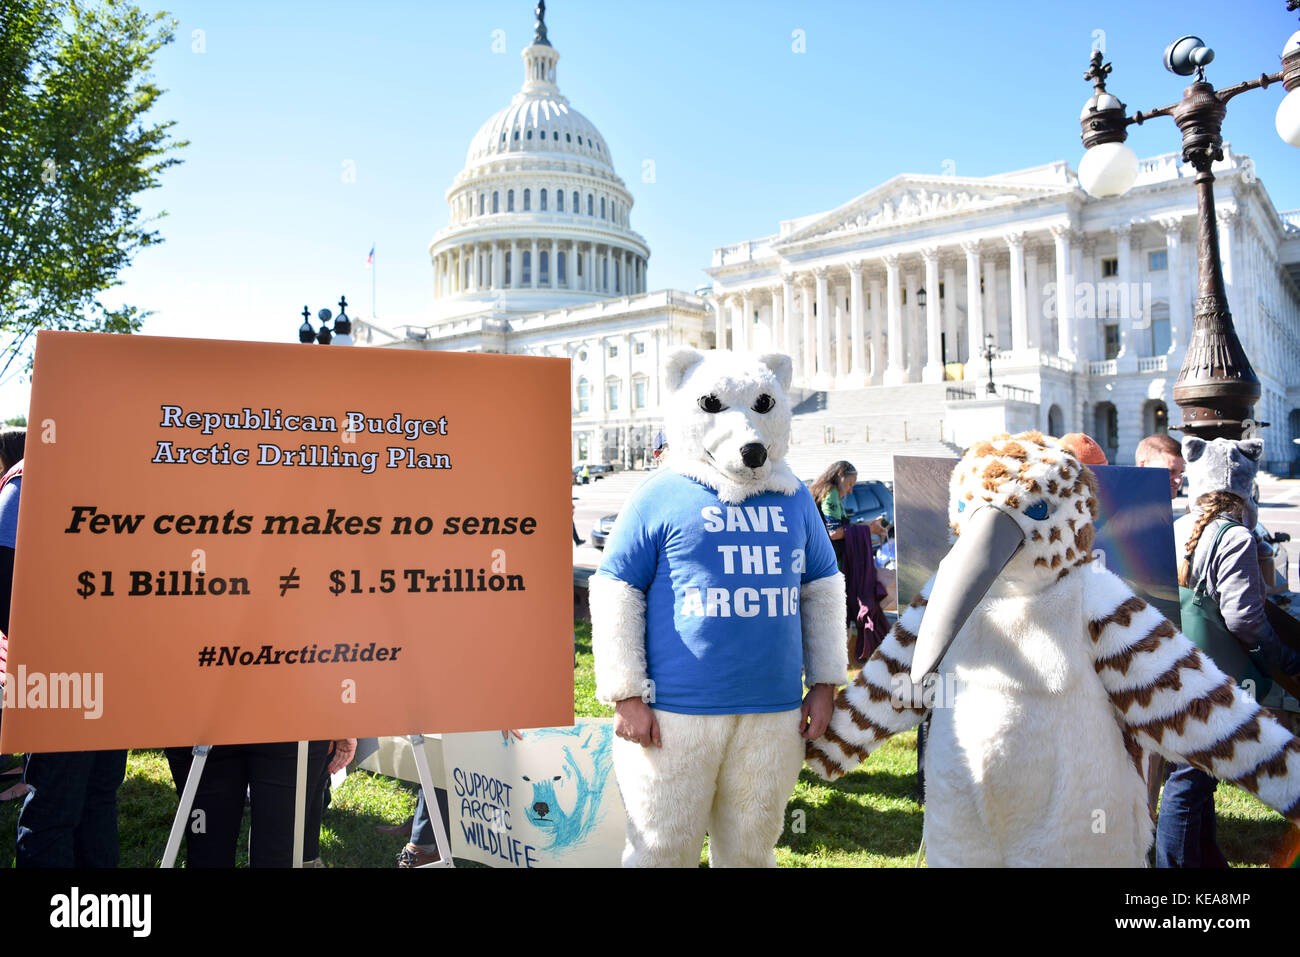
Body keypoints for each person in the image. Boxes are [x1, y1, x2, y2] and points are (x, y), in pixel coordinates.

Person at [1155, 436, 1300, 868]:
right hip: (1216, 674)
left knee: (1196, 769)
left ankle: (1204, 856)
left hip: (1173, 663)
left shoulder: (1177, 526)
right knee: (1192, 778)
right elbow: (1244, 620)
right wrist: (1283, 659)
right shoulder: (1233, 535)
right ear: (1246, 486)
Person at [1136, 433, 1186, 500]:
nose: (1179, 480)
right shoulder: (1119, 507)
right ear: (1143, 466)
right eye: (1170, 471)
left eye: (1181, 473)